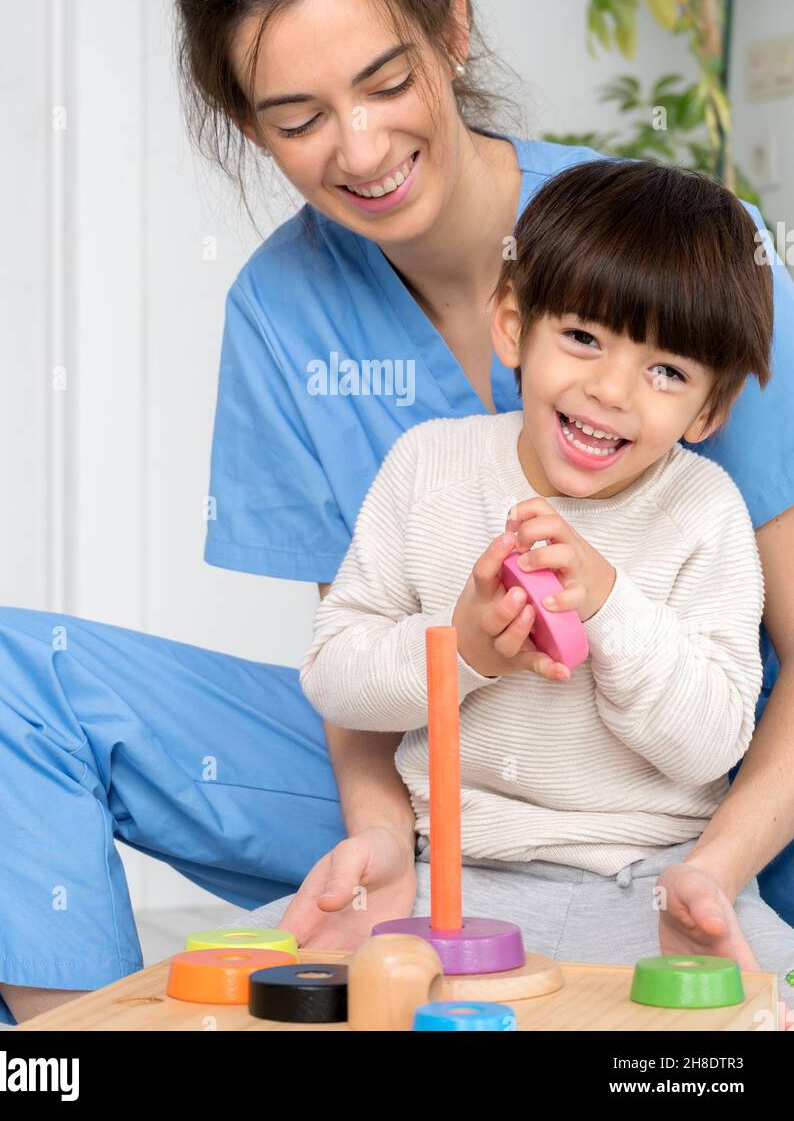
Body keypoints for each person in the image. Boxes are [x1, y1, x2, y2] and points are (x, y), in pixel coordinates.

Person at [0, 0, 792, 1027]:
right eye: (298, 117)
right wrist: (387, 843)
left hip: (688, 803)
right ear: (249, 126)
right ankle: (66, 1049)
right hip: (446, 793)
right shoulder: (282, 309)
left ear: (450, 24)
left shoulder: (670, 275)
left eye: (385, 82)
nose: (361, 148)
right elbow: (355, 665)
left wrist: (715, 869)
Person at [226, 157, 794, 1019]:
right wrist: (463, 650)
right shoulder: (429, 467)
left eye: (667, 372)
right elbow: (336, 676)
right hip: (446, 884)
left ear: (709, 414)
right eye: (584, 339)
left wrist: (610, 606)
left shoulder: (703, 510)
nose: (611, 390)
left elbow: (711, 742)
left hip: (654, 892)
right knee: (249, 994)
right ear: (513, 327)